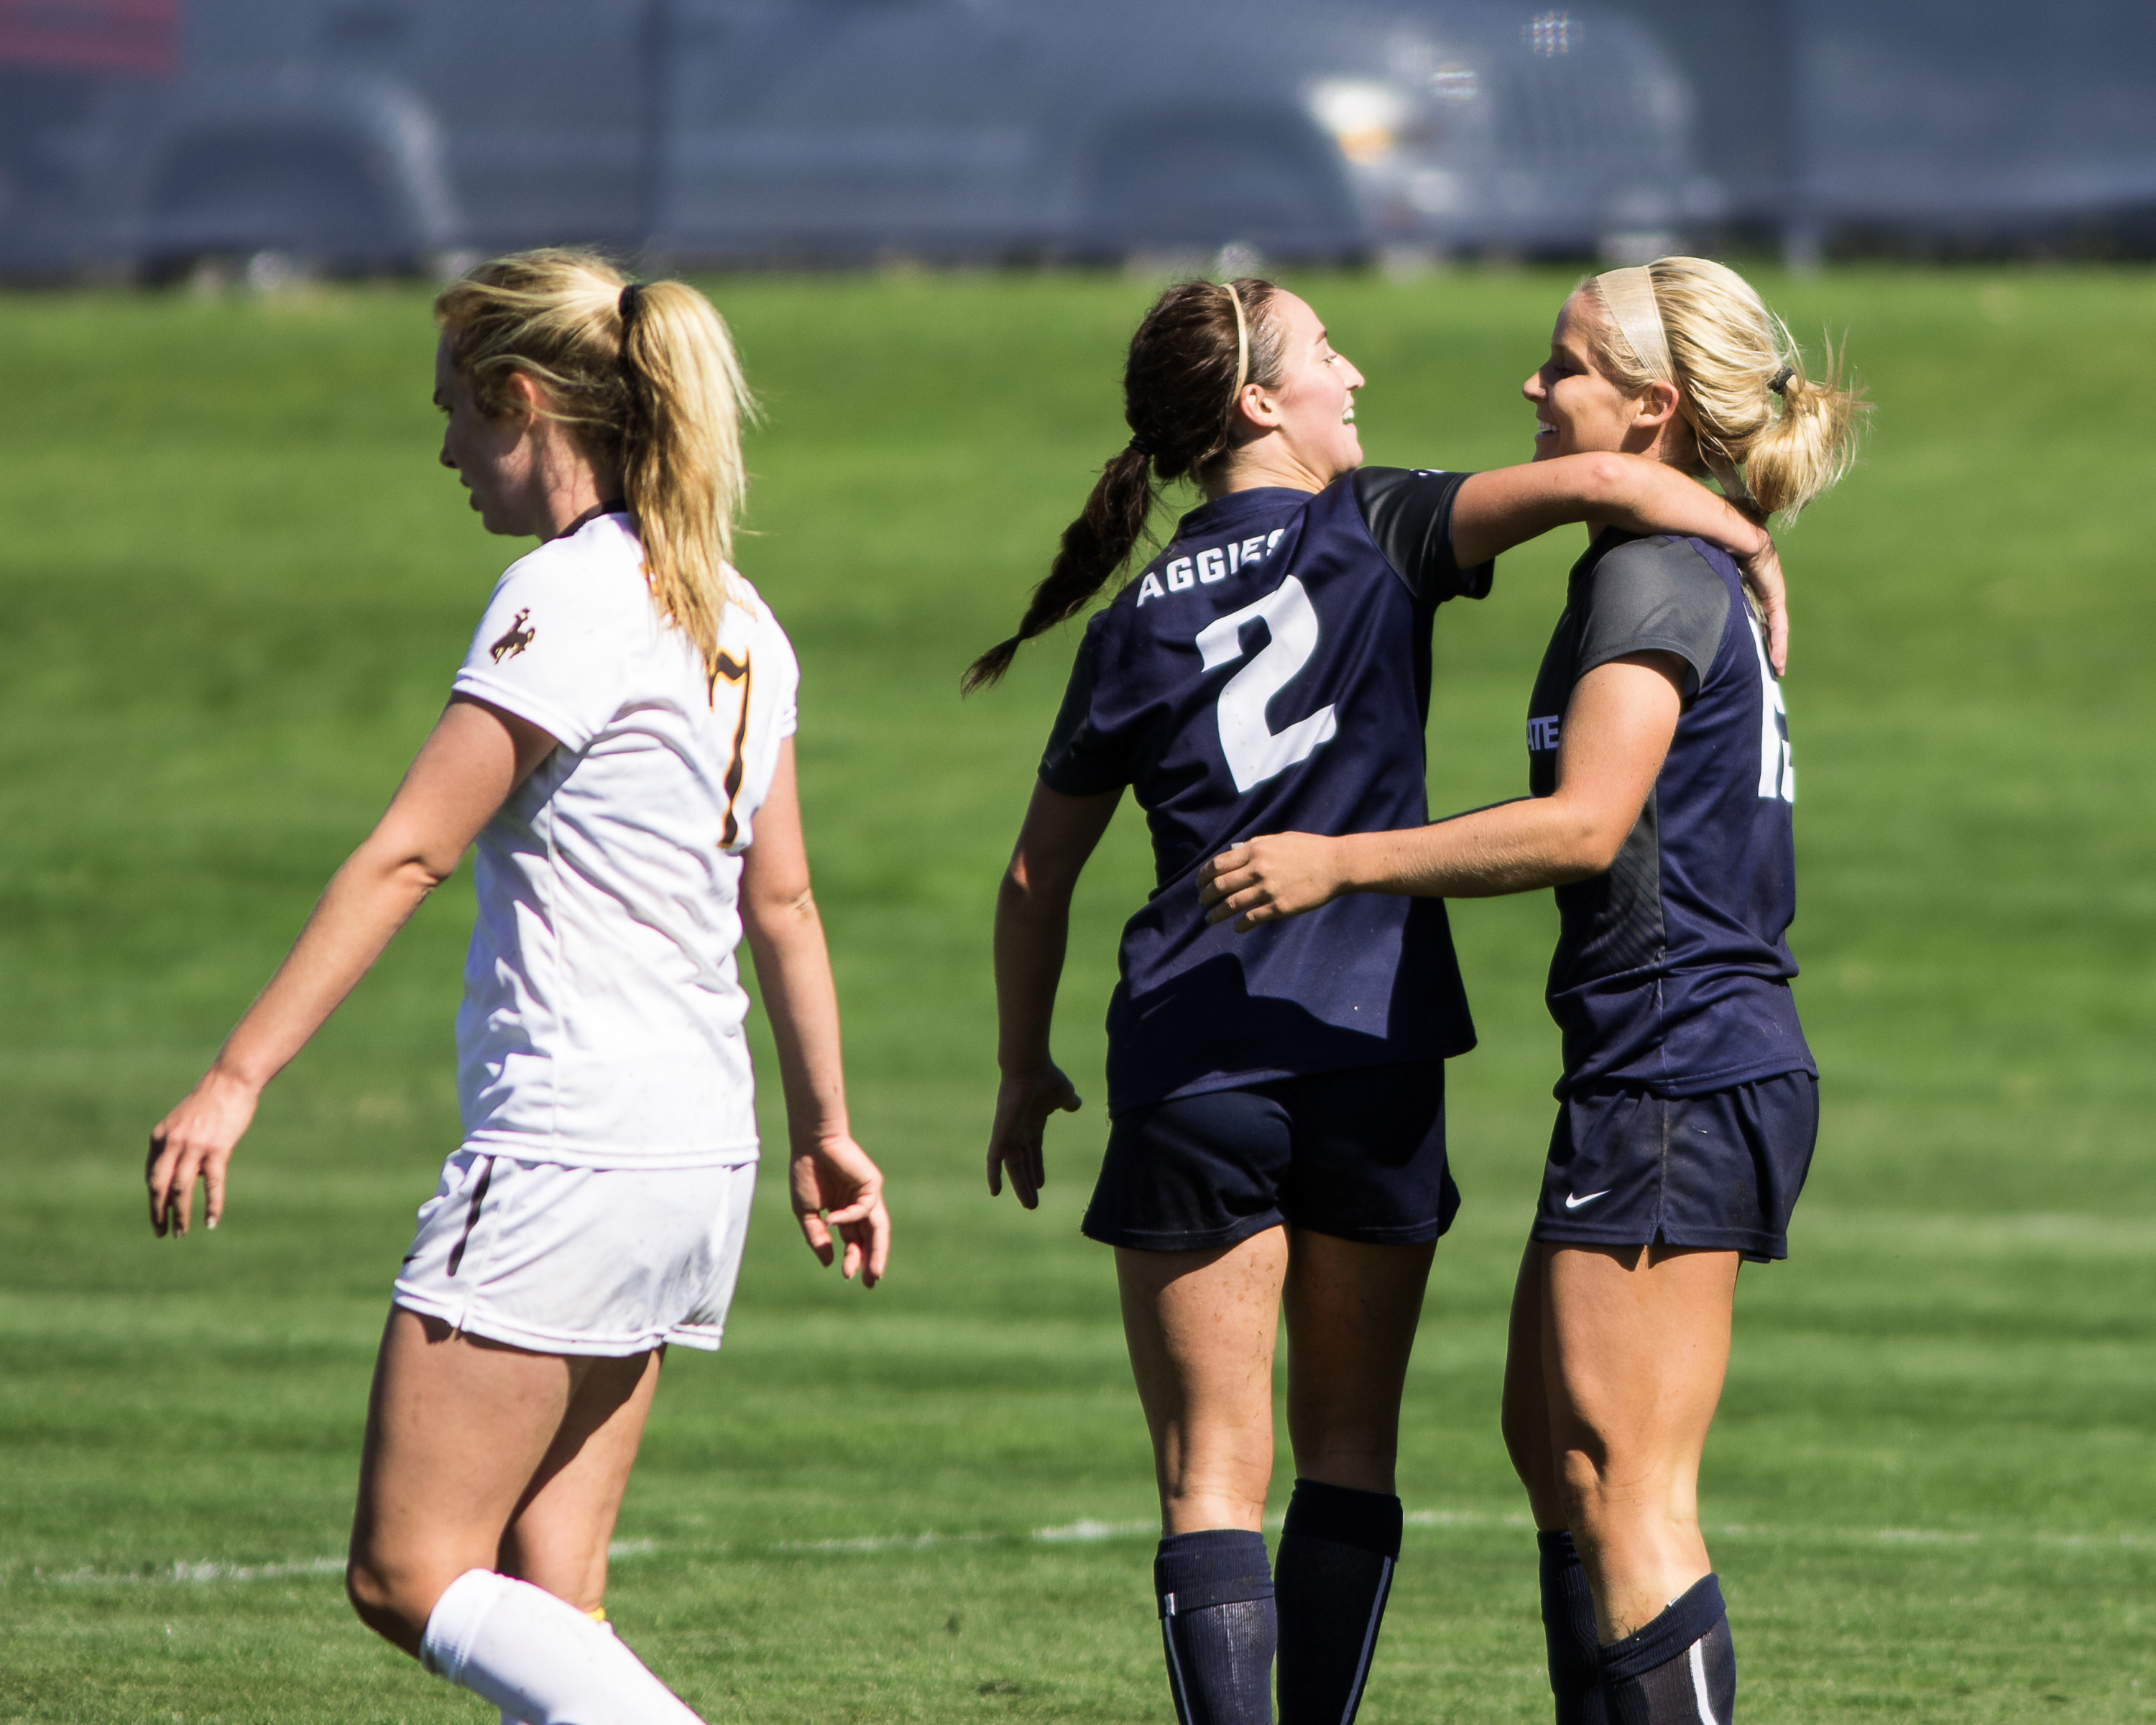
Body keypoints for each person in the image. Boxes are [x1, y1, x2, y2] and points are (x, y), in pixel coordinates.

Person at [969, 275, 1785, 1725]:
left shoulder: (1129, 627)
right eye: (1327, 354)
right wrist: (1736, 528)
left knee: (1212, 1474)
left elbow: (1038, 877)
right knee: (1359, 1452)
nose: (1357, 372)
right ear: (1259, 404)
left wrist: (1024, 1065)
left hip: (1193, 1052)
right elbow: (1599, 472)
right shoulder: (1375, 524)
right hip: (1374, 1043)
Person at [144, 249, 890, 1725]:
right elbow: (785, 905)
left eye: (455, 416)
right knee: (552, 1593)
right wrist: (827, 1129)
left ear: (524, 399)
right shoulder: (738, 615)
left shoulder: (563, 595)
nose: (443, 452)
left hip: (572, 1145)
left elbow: (408, 856)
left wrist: (234, 1079)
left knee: (407, 1575)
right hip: (702, 1153)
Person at [1196, 257, 1866, 1725]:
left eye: (1562, 366)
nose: (1532, 388)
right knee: (1558, 1457)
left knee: (1627, 1494)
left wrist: (1338, 862)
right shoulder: (1653, 559)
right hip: (1655, 1063)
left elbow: (1583, 824)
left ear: (1650, 407)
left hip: (1682, 1065)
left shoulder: (1647, 578)